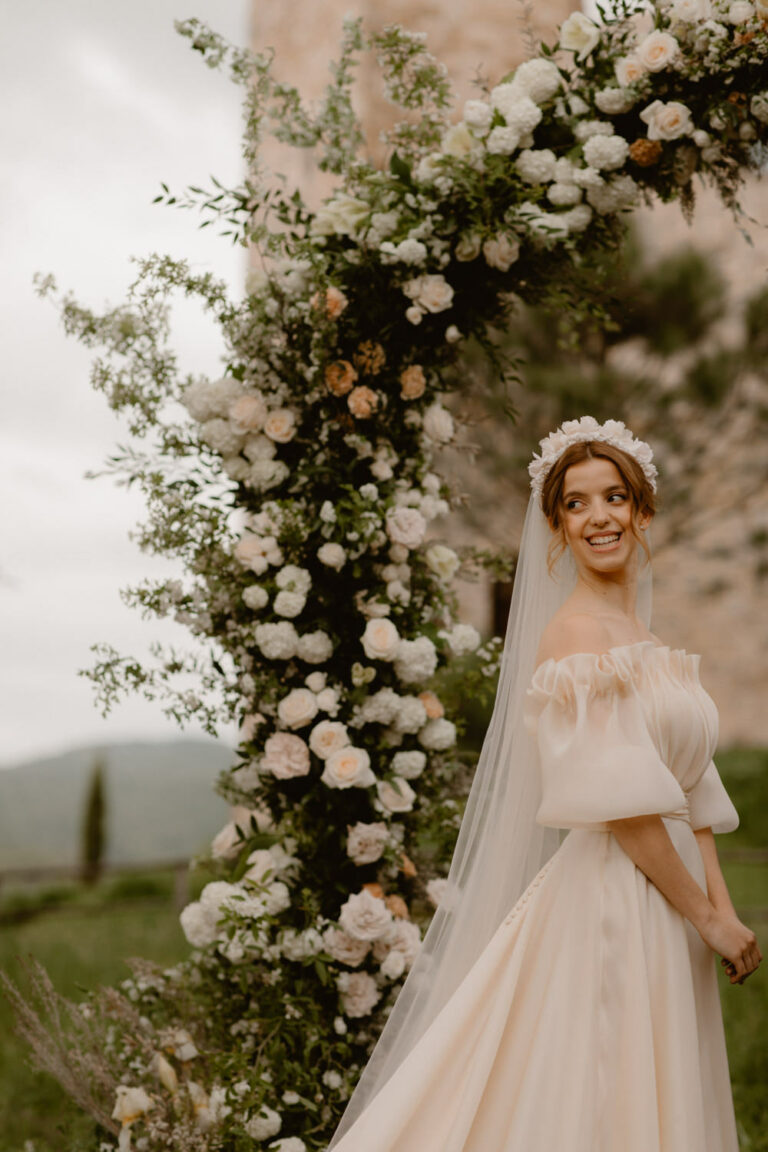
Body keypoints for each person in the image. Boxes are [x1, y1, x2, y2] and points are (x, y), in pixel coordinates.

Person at [327, 416, 762, 1152]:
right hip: (617, 899)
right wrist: (704, 913)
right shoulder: (574, 637)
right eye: (577, 503)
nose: (599, 517)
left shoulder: (649, 646)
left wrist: (719, 908)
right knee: (605, 1094)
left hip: (678, 901)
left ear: (642, 510)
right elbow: (624, 807)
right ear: (557, 527)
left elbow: (692, 793)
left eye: (615, 497)